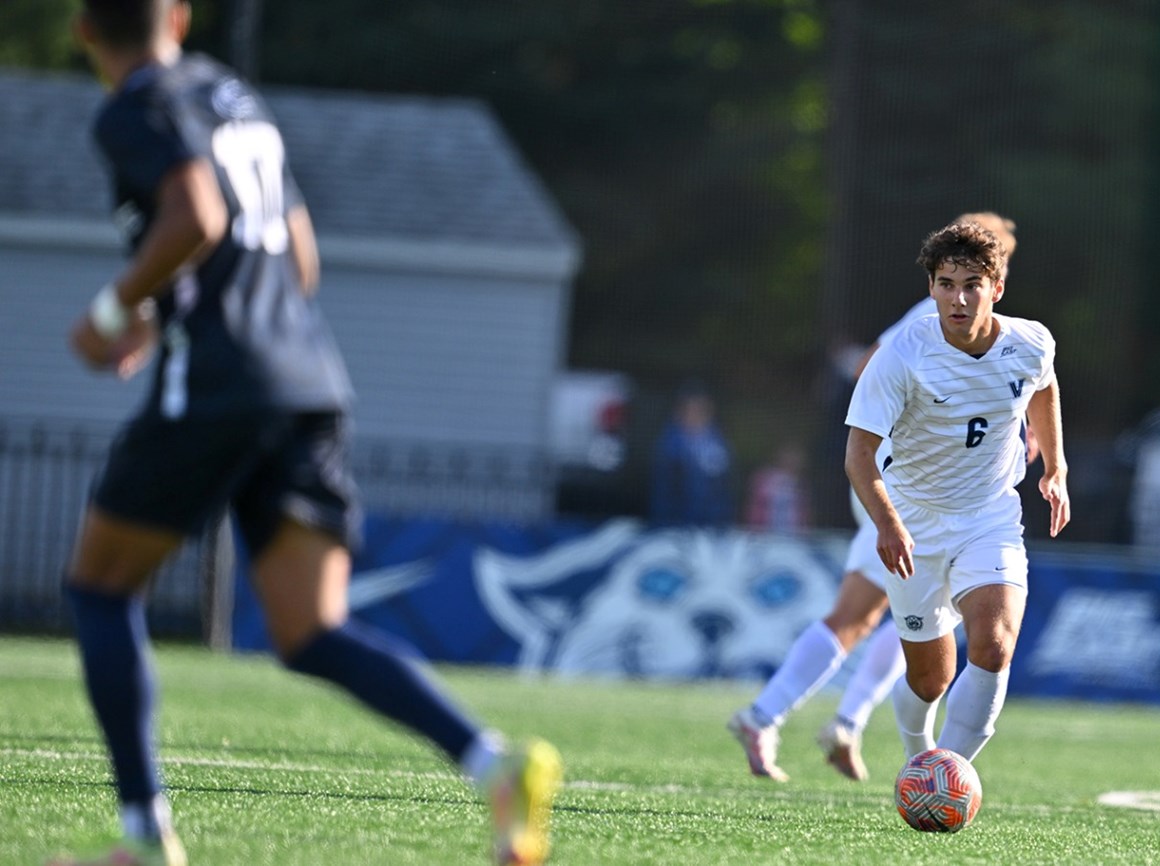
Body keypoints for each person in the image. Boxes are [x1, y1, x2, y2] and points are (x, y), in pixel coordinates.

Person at [51, 2, 561, 864]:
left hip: (216, 384)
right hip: (308, 378)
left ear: (82, 29)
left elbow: (197, 220)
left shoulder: (137, 105)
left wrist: (114, 309)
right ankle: (491, 763)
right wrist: (183, 301)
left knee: (99, 590)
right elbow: (298, 254)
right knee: (311, 631)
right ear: (178, 14)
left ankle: (145, 839)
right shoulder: (233, 96)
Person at [727, 213, 1023, 783]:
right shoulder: (933, 319)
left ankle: (828, 719)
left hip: (940, 498)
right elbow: (872, 369)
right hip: (902, 489)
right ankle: (789, 715)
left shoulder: (1001, 334)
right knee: (872, 614)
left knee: (889, 616)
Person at [849, 220, 1067, 771]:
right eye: (946, 283)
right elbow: (858, 457)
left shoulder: (1030, 341)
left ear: (997, 288)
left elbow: (1044, 383)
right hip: (915, 524)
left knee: (993, 646)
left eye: (973, 283)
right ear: (931, 288)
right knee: (931, 678)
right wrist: (888, 523)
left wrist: (1056, 466)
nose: (959, 298)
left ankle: (944, 775)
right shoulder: (901, 355)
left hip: (988, 515)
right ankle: (917, 751)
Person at [650, 385, 733, 528]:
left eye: (701, 410)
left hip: (710, 527)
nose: (695, 416)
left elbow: (724, 491)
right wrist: (663, 525)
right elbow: (661, 493)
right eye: (690, 410)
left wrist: (721, 524)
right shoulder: (668, 445)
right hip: (674, 525)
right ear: (679, 413)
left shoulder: (719, 444)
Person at [744, 443, 810, 532]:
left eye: (796, 456)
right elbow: (754, 507)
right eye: (789, 455)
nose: (792, 459)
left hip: (794, 536)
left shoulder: (802, 484)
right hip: (765, 535)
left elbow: (805, 515)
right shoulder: (763, 478)